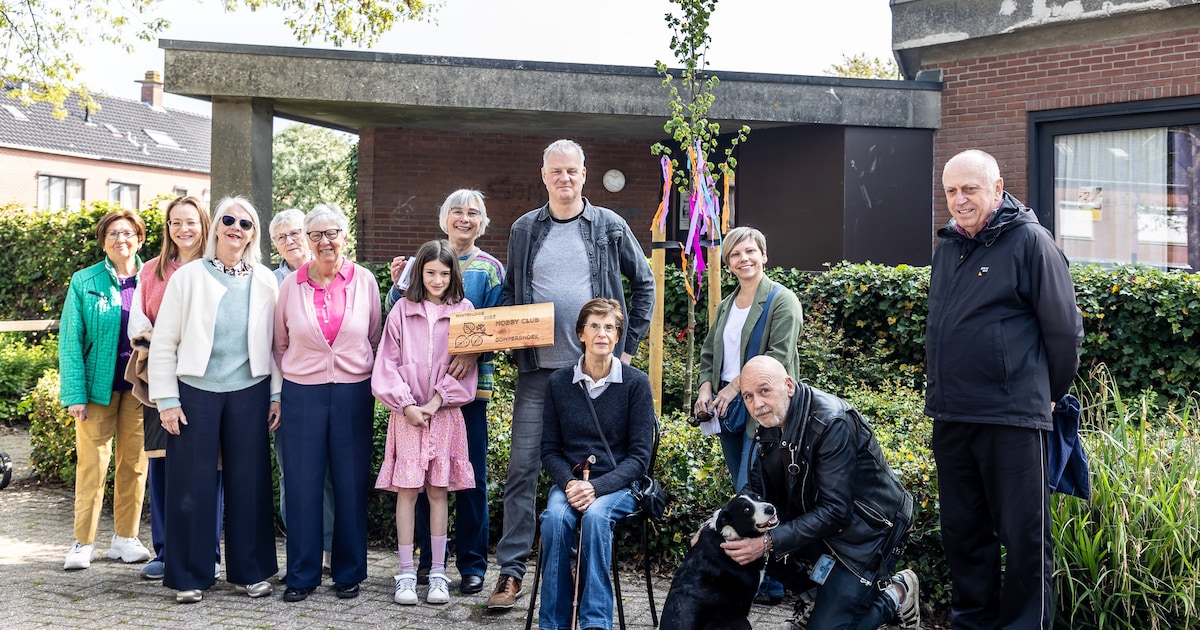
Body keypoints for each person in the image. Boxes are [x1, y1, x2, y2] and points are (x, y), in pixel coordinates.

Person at [488, 138, 655, 610]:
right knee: (522, 469)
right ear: (543, 176)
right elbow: (510, 295)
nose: (564, 178)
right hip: (541, 372)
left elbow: (644, 284)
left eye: (572, 171)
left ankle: (582, 560)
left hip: (598, 375)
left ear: (584, 174)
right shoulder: (523, 229)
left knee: (598, 464)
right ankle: (511, 572)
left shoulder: (608, 226)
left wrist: (627, 348)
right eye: (555, 171)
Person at [926, 149, 1083, 629]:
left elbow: (1064, 332)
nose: (959, 200)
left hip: (1014, 418)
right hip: (953, 416)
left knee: (1025, 539)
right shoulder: (949, 248)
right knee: (964, 534)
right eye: (951, 191)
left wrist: (1047, 394)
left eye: (970, 189)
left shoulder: (1032, 242)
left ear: (997, 188)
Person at [721, 355, 920, 630]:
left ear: (788, 385)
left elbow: (837, 511)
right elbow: (756, 490)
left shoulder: (831, 422)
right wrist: (717, 521)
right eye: (748, 396)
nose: (757, 404)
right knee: (746, 535)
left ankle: (897, 593)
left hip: (867, 534)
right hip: (820, 523)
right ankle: (814, 596)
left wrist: (768, 542)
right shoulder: (771, 421)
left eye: (764, 391)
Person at [148, 196, 281, 604]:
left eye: (246, 223)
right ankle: (189, 576)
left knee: (250, 482)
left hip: (250, 390)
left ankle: (251, 571)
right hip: (195, 391)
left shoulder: (265, 279)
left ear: (253, 234)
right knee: (191, 483)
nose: (236, 227)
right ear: (217, 227)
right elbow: (165, 341)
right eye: (228, 219)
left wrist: (275, 394)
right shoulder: (187, 277)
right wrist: (167, 399)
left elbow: (276, 345)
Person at [386, 189, 505, 596]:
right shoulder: (423, 262)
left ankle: (471, 564)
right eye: (457, 212)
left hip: (463, 396)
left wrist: (473, 355)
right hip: (414, 399)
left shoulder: (490, 269)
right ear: (444, 218)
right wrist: (394, 282)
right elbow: (398, 313)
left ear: (482, 221)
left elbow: (496, 324)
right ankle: (424, 561)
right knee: (420, 480)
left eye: (473, 213)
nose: (464, 219)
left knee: (466, 479)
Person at [273, 204, 381, 602]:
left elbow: (373, 336)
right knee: (303, 485)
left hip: (354, 392)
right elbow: (279, 343)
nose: (325, 242)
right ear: (306, 240)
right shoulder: (291, 285)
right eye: (315, 235)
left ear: (345, 236)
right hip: (302, 393)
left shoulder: (365, 281)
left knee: (350, 482)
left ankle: (348, 572)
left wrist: (354, 371)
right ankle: (301, 574)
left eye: (332, 233)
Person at [694, 227, 802, 606]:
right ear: (728, 264)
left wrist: (732, 387)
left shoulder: (781, 301)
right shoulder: (727, 304)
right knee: (746, 497)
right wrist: (707, 388)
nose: (744, 259)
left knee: (753, 492)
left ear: (764, 255)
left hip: (764, 410)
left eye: (751, 251)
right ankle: (757, 576)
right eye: (735, 255)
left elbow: (778, 358)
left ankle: (770, 581)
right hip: (728, 413)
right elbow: (710, 353)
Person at [537, 298, 655, 630]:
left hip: (617, 483)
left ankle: (595, 623)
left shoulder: (635, 384)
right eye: (594, 326)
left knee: (596, 517)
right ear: (581, 334)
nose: (602, 333)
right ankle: (554, 623)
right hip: (572, 483)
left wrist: (596, 488)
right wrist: (571, 484)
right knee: (554, 519)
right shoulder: (559, 383)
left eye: (609, 327)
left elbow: (640, 458)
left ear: (618, 336)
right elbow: (549, 450)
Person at [374, 239, 478, 606]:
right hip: (408, 417)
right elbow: (386, 362)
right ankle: (405, 573)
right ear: (419, 272)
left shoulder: (465, 311)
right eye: (431, 272)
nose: (437, 279)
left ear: (454, 276)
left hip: (445, 415)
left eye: (444, 273)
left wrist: (435, 402)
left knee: (438, 492)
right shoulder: (402, 310)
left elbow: (467, 368)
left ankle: (437, 574)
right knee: (406, 492)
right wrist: (406, 405)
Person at [127, 196, 221, 581]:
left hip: (208, 381)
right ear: (167, 228)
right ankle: (165, 551)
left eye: (191, 222)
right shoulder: (151, 271)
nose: (183, 229)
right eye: (175, 223)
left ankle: (209, 552)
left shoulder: (219, 268)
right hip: (161, 379)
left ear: (204, 224)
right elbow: (138, 324)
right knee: (163, 463)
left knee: (210, 469)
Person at [58, 209, 152, 570]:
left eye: (127, 233)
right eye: (112, 233)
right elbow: (70, 341)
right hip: (97, 390)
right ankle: (83, 542)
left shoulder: (153, 277)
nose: (120, 239)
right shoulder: (85, 280)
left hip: (138, 388)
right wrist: (75, 394)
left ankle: (125, 539)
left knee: (135, 464)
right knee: (92, 466)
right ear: (103, 240)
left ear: (140, 239)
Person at [269, 207, 333, 576]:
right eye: (282, 238)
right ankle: (300, 547)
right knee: (289, 474)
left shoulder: (333, 273)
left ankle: (327, 547)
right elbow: (273, 343)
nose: (290, 241)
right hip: (287, 389)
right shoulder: (269, 281)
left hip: (328, 390)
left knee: (326, 474)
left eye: (295, 234)